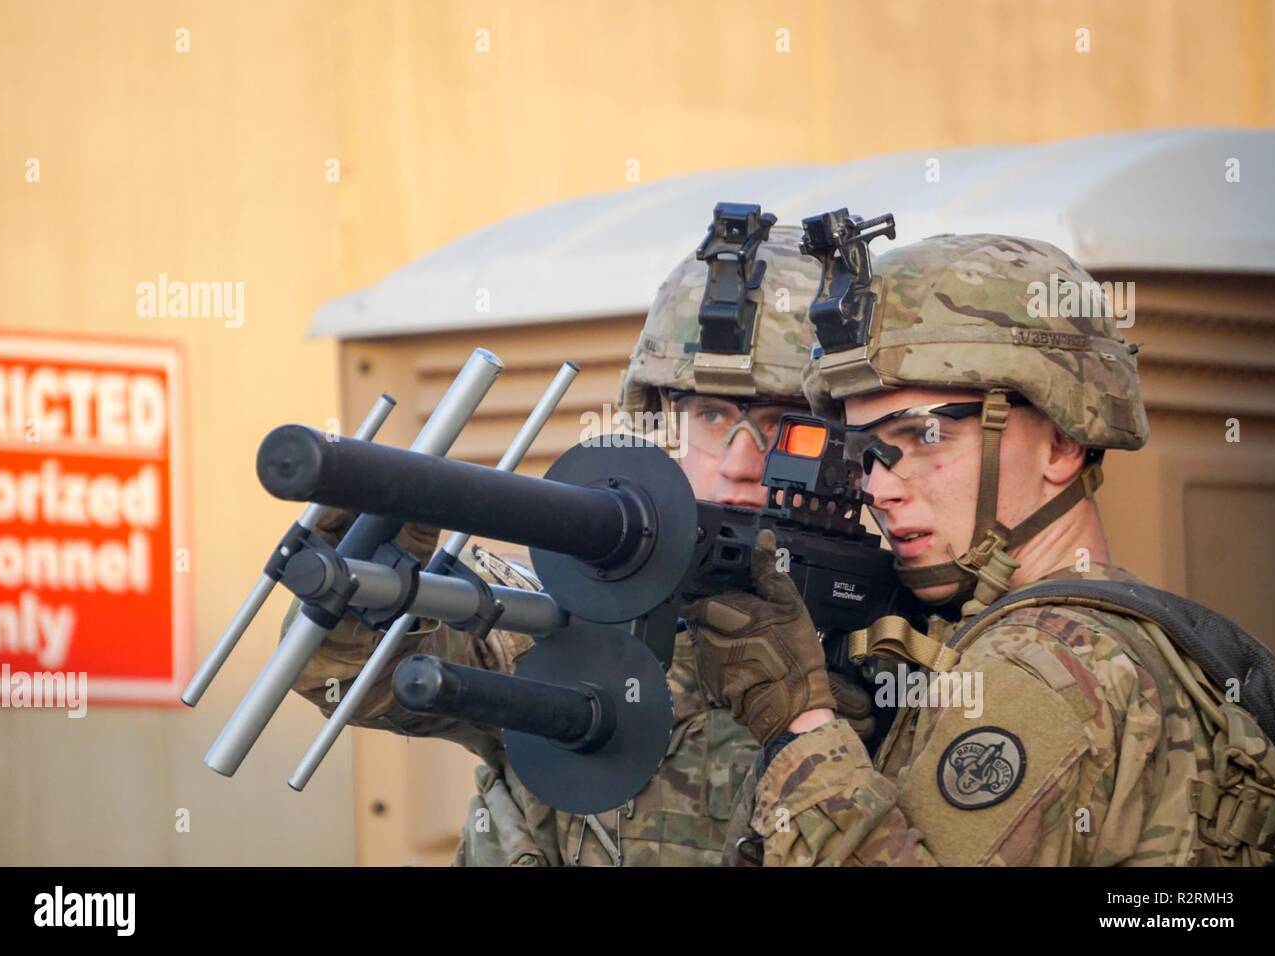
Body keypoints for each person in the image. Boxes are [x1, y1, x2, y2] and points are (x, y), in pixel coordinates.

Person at [687, 232, 1275, 866]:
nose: (881, 486)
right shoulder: (1133, 637)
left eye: (924, 434)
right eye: (865, 451)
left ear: (1061, 444)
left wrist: (800, 732)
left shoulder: (1037, 667)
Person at [287, 223, 875, 865]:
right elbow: (344, 675)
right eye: (712, 417)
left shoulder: (908, 645)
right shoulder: (574, 622)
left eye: (781, 427)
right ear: (662, 424)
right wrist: (362, 564)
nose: (740, 462)